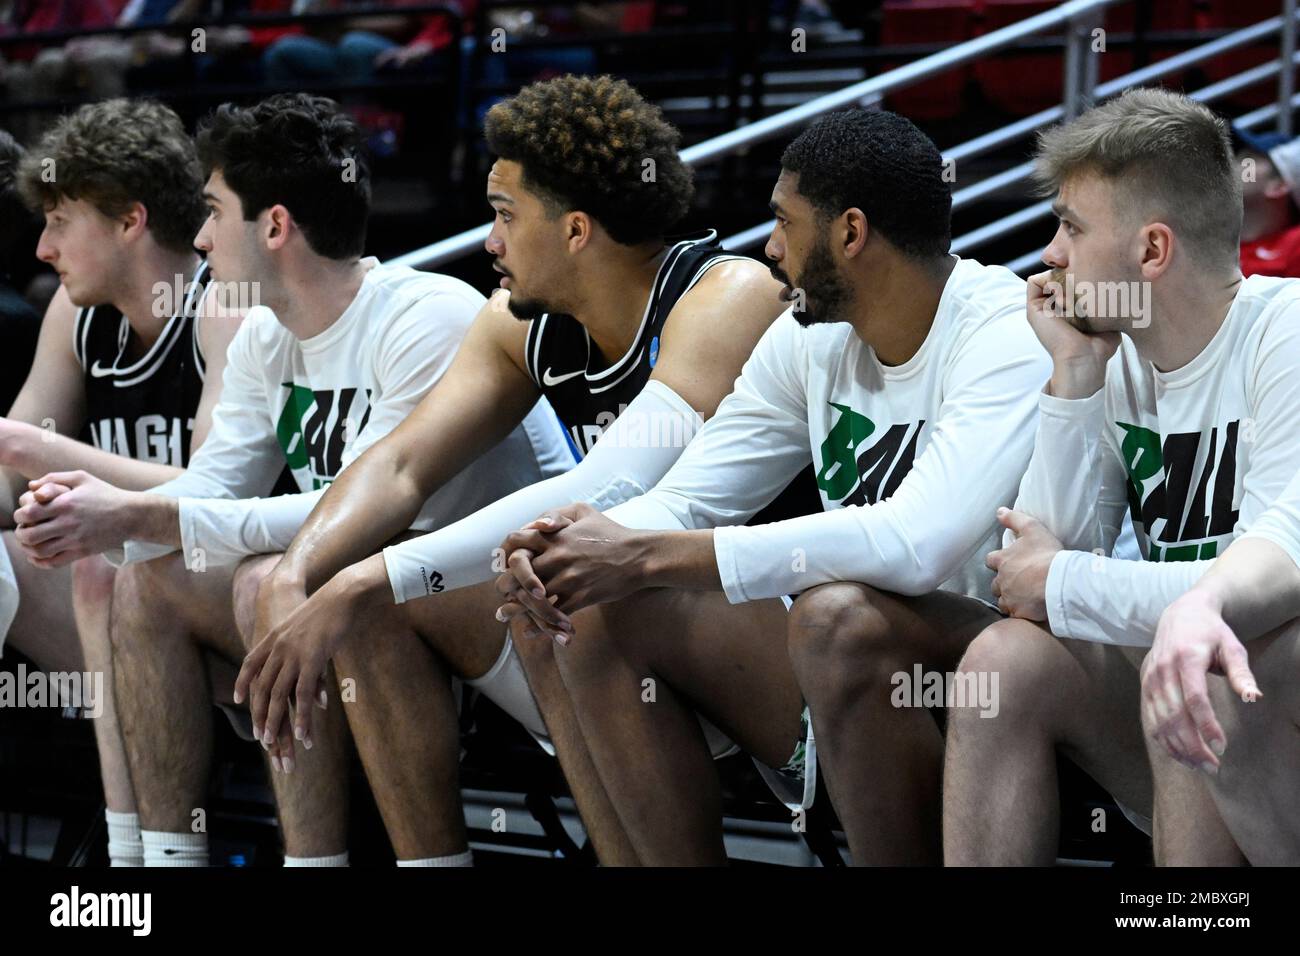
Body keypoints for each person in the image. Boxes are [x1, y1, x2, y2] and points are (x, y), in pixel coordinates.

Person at [234, 75, 803, 866]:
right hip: (624, 640)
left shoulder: (728, 293)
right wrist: (299, 576)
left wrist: (361, 580)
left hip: (782, 643)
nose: (488, 242)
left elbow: (608, 488)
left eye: (505, 217)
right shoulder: (517, 326)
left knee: (564, 579)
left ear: (575, 230)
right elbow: (399, 463)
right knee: (527, 589)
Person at [15, 93, 569, 867]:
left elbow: (363, 509)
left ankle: (314, 863)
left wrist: (135, 515)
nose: (201, 236)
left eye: (213, 212)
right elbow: (218, 486)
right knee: (143, 579)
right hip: (383, 601)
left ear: (274, 226)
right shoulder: (265, 338)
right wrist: (114, 515)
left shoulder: (427, 315)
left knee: (268, 580)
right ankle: (159, 863)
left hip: (517, 612)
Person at [487, 107, 1051, 865]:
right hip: (843, 657)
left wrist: (646, 555)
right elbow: (692, 496)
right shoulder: (805, 335)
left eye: (784, 222)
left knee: (837, 615)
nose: (770, 246)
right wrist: (584, 542)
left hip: (990, 667)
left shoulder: (1003, 334)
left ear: (850, 234)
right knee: (581, 597)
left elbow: (915, 546)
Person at [943, 88, 1300, 865]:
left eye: (1071, 226)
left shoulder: (1286, 332)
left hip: (1272, 733)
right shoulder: (1114, 356)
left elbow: (1281, 571)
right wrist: (1073, 375)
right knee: (1004, 660)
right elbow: (1028, 592)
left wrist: (1068, 583)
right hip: (1173, 719)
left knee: (1202, 655)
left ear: (1150, 251)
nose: (1049, 255)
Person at [4, 99, 228, 868]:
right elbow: (12, 469)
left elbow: (220, 487)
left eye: (61, 221)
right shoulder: (75, 315)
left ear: (130, 221)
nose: (42, 247)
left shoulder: (223, 309)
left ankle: (138, 860)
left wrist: (38, 454)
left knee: (109, 558)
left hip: (223, 600)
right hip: (114, 600)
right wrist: (27, 475)